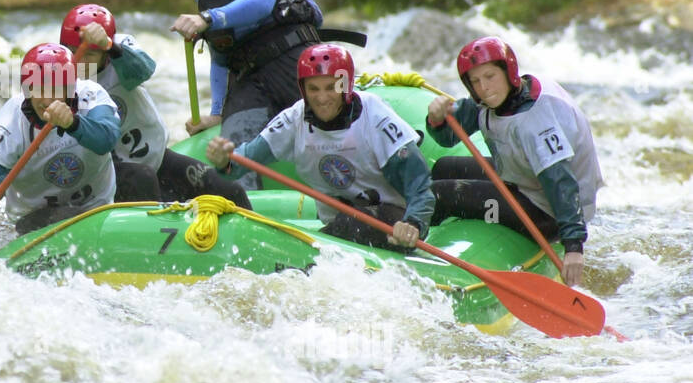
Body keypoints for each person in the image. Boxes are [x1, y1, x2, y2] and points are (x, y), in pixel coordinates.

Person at [169, 0, 325, 188]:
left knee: (334, 134)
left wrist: (207, 18)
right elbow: (220, 53)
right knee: (235, 162)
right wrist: (216, 112)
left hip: (292, 60)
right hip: (248, 81)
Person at [204, 44, 435, 251]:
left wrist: (414, 224)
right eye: (313, 89)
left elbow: (419, 183)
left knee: (350, 223)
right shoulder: (294, 118)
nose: (322, 98)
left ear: (346, 86)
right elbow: (244, 161)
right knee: (346, 222)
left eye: (330, 88)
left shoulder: (376, 116)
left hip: (391, 218)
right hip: (339, 224)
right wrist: (224, 160)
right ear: (303, 90)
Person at [425, 37, 603, 287]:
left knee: (440, 195)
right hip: (526, 182)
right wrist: (436, 119)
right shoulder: (498, 98)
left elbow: (560, 181)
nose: (484, 87)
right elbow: (449, 136)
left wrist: (574, 246)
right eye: (475, 81)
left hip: (546, 214)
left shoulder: (535, 122)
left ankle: (407, 240)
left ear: (508, 73)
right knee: (444, 168)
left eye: (490, 76)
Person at [58, 3, 251, 209]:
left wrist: (109, 46)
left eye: (89, 55)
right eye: (75, 53)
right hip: (110, 175)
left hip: (157, 159)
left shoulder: (119, 50)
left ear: (105, 55)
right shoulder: (56, 73)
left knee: (231, 192)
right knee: (143, 178)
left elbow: (145, 70)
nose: (80, 63)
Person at [0, 42, 120, 238]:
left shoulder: (92, 95)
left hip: (98, 207)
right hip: (35, 218)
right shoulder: (9, 124)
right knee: (68, 217)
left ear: (70, 90)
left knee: (140, 176)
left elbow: (107, 139)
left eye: (55, 89)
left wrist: (73, 123)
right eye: (39, 89)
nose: (47, 100)